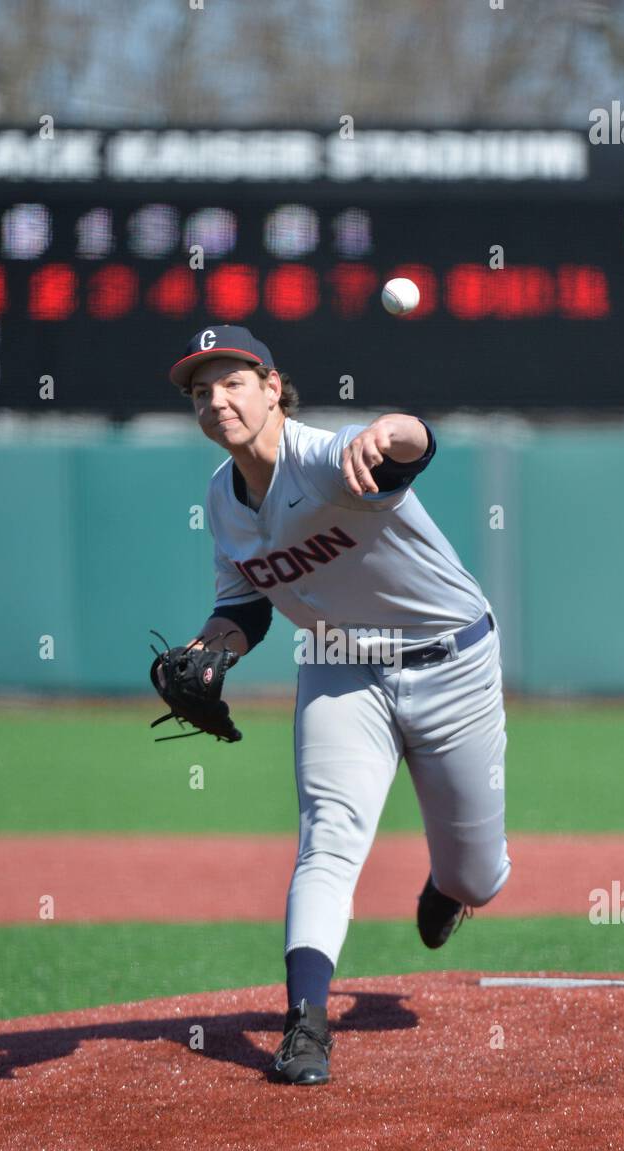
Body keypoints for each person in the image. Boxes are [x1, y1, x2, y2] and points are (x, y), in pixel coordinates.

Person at [168, 324, 511, 1085]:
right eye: (201, 391)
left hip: (450, 661)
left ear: (270, 386)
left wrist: (389, 428)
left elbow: (411, 444)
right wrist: (209, 653)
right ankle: (305, 1025)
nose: (217, 400)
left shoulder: (325, 457)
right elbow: (244, 609)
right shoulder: (222, 502)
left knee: (481, 876)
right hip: (338, 668)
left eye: (231, 382)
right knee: (327, 839)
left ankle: (449, 886)